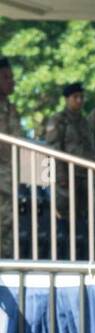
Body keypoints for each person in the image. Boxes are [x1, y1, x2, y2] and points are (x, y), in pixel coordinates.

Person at [44, 82, 95, 252]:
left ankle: (81, 255)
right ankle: (63, 254)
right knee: (64, 220)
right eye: (75, 97)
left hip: (84, 178)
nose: (79, 100)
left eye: (81, 97)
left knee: (82, 220)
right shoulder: (58, 119)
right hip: (66, 178)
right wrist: (60, 176)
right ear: (67, 99)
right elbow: (53, 148)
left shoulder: (84, 121)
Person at [0, 58, 25, 258]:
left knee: (9, 230)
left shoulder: (12, 108)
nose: (11, 82)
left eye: (12, 78)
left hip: (10, 181)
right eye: (6, 77)